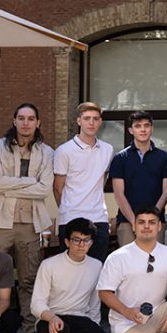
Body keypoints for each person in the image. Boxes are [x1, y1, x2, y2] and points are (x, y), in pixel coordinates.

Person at [0, 102, 54, 333]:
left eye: (30, 118)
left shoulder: (47, 153)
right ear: (14, 121)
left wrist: (11, 184)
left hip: (30, 223)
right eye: (21, 118)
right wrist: (27, 182)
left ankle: (31, 330)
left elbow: (44, 189)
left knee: (29, 278)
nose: (26, 123)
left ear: (38, 123)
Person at [30, 217, 111, 333]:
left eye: (86, 240)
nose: (81, 245)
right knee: (60, 329)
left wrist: (93, 326)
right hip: (51, 317)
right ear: (67, 241)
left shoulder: (96, 265)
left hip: (78, 316)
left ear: (91, 243)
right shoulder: (49, 265)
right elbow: (36, 303)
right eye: (76, 240)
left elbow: (95, 301)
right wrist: (51, 317)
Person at [53, 102, 113, 263]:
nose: (91, 123)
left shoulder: (107, 150)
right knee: (71, 271)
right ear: (78, 121)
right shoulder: (64, 151)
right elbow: (57, 188)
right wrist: (68, 208)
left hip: (98, 218)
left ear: (100, 122)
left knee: (96, 270)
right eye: (87, 118)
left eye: (95, 119)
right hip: (71, 218)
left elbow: (102, 180)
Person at [109, 110, 167, 246]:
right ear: (130, 130)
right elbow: (119, 194)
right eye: (138, 126)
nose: (143, 129)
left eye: (146, 125)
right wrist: (135, 222)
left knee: (155, 264)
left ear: (152, 128)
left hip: (156, 223)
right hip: (128, 222)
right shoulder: (120, 158)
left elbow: (166, 191)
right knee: (128, 265)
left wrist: (152, 219)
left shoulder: (164, 158)